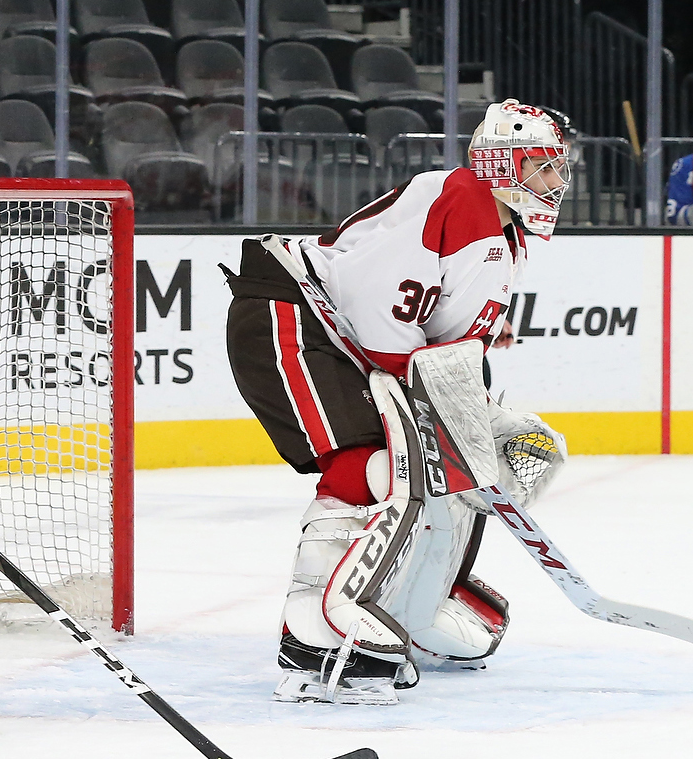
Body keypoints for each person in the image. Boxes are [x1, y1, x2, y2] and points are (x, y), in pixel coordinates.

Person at [225, 99, 569, 705]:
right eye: (543, 165)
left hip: (341, 337)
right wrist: (465, 423)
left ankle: (412, 602)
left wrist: (486, 421)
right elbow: (382, 322)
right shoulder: (458, 199)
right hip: (293, 316)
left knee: (438, 467)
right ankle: (319, 633)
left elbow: (445, 350)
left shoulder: (505, 233)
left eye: (558, 167)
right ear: (503, 164)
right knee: (385, 465)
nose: (556, 180)